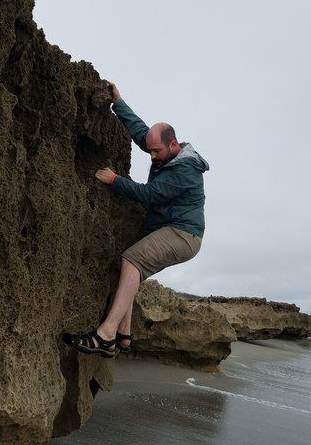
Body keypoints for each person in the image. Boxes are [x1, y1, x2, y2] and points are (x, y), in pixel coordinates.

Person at [63, 83, 209, 358]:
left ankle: (105, 335)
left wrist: (114, 180)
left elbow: (149, 194)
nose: (151, 156)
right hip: (173, 230)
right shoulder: (166, 152)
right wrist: (118, 102)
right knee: (132, 270)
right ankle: (124, 336)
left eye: (156, 152)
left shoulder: (186, 170)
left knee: (132, 260)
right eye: (150, 151)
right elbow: (142, 133)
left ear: (173, 144)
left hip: (184, 235)